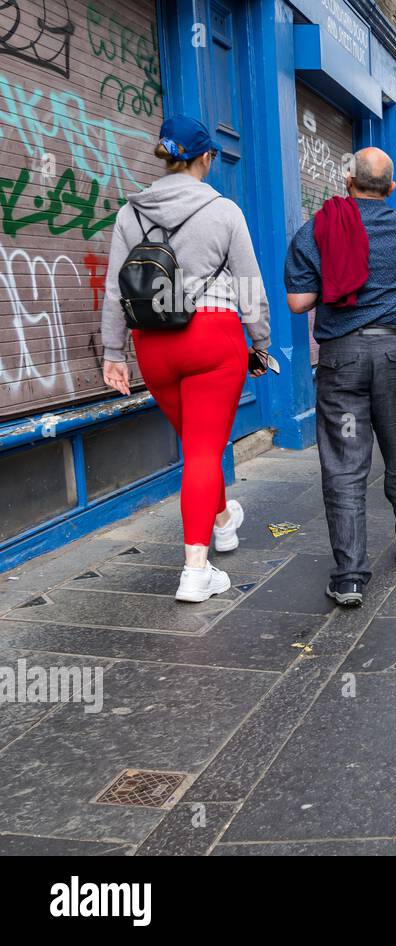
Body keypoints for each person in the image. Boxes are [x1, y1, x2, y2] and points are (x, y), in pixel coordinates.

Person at [99, 115, 270, 604]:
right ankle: (196, 570)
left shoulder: (129, 213)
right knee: (201, 450)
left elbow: (115, 290)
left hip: (152, 344)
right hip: (212, 339)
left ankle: (222, 524)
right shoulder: (225, 211)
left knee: (198, 443)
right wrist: (260, 342)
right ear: (204, 158)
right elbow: (249, 287)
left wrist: (114, 353)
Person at [285, 147, 396, 608]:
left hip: (343, 359)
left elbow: (298, 303)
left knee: (345, 466)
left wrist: (336, 279)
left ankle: (348, 577)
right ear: (389, 189)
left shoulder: (319, 229)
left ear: (348, 181)